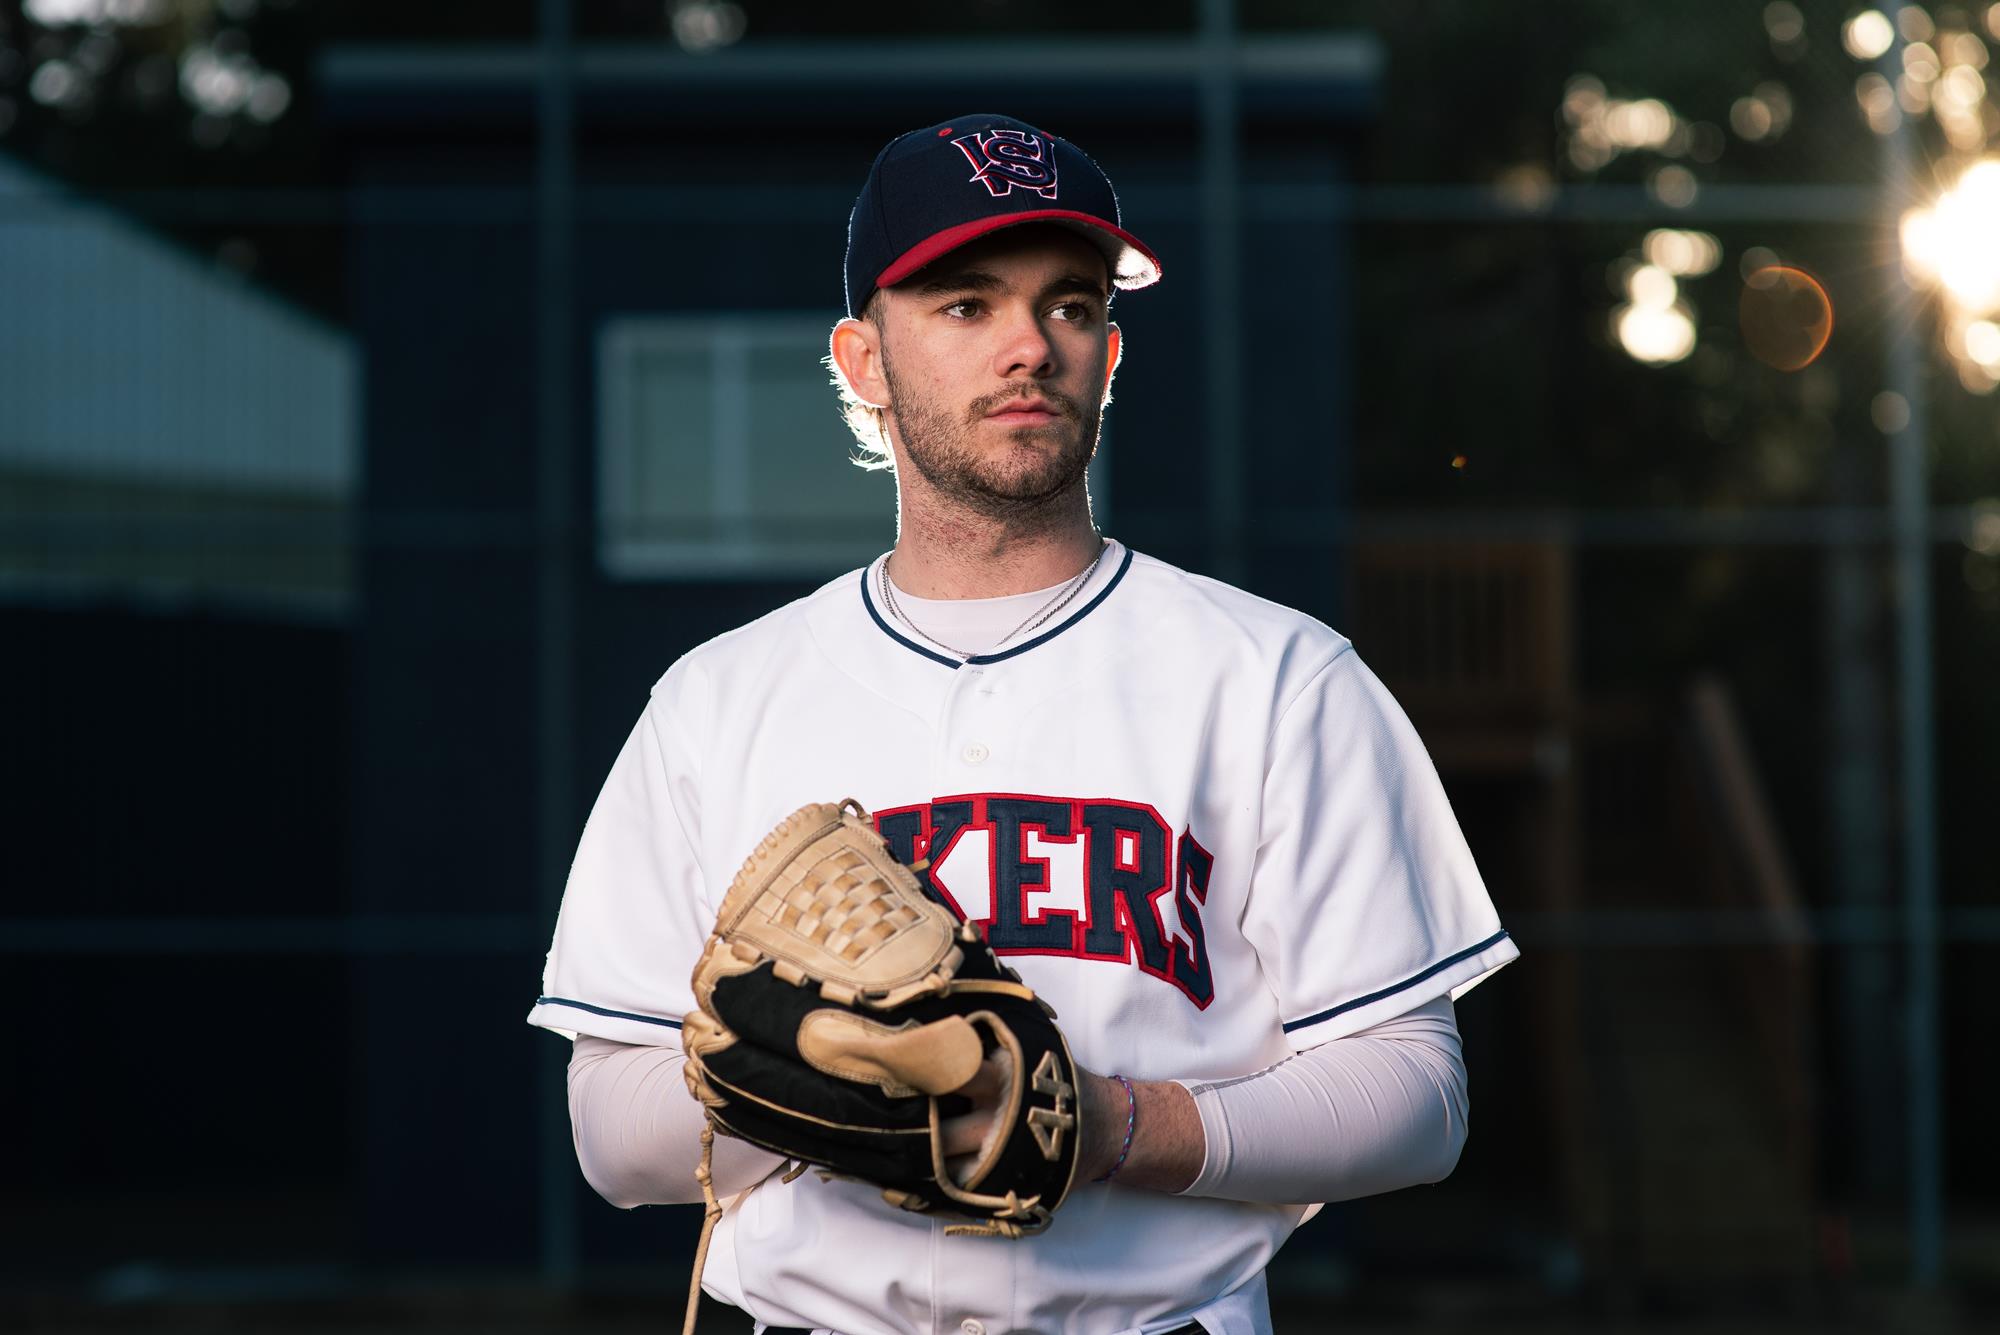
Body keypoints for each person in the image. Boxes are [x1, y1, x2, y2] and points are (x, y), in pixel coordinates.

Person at [530, 113, 1518, 1335]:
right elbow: (609, 1132)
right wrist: (832, 1088)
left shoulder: (1276, 677)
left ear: (1110, 348)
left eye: (1070, 304)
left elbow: (1415, 1099)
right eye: (963, 304)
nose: (1028, 346)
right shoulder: (717, 700)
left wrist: (1098, 1126)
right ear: (861, 360)